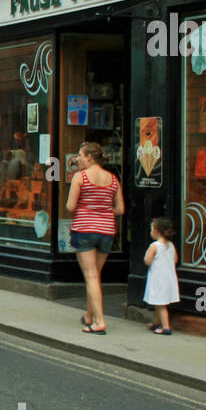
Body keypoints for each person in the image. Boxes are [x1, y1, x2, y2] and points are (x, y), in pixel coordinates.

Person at [66, 141, 124, 334]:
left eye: (80, 155)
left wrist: (89, 209)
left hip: (85, 230)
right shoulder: (113, 179)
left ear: (89, 157)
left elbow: (71, 207)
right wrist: (103, 211)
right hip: (107, 231)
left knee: (90, 276)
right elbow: (120, 209)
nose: (78, 158)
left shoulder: (80, 177)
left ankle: (99, 321)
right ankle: (89, 316)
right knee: (95, 276)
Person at [143, 217, 180, 335]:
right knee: (159, 302)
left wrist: (148, 257)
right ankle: (156, 322)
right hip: (168, 278)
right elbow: (175, 260)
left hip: (158, 278)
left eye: (151, 229)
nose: (150, 231)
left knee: (161, 304)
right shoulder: (171, 245)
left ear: (157, 231)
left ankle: (166, 327)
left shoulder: (155, 246)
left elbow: (147, 261)